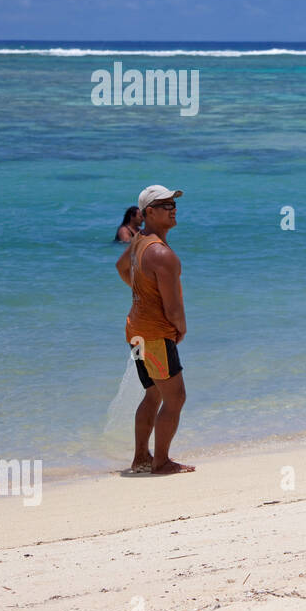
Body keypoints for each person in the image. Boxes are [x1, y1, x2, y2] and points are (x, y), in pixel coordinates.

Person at [114, 185, 194, 475]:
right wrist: (180, 329)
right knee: (175, 397)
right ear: (149, 212)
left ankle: (141, 458)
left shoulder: (139, 241)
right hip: (155, 334)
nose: (173, 209)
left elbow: (122, 268)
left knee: (152, 394)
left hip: (135, 329)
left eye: (174, 204)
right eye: (165, 205)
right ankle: (161, 462)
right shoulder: (162, 254)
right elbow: (173, 309)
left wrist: (142, 292)